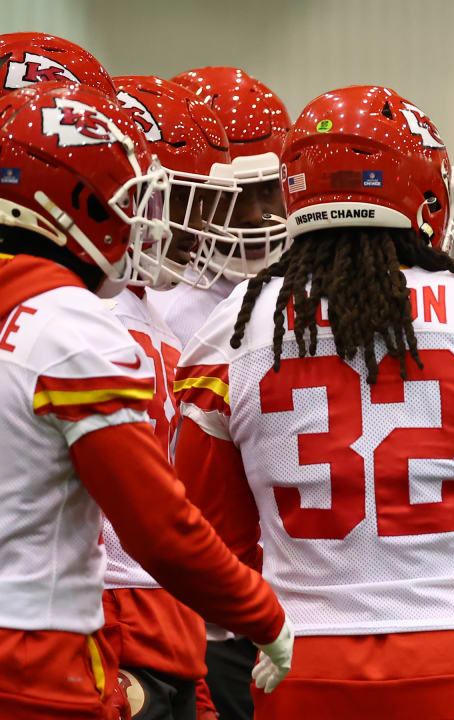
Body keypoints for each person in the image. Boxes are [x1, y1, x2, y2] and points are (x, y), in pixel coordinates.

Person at [171, 85, 454, 720]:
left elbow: (208, 532)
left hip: (301, 661)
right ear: (427, 193)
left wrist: (271, 618)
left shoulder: (232, 328)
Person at [0, 81, 292, 720]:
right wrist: (261, 612)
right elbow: (156, 525)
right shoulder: (72, 327)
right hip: (45, 650)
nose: (151, 222)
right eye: (136, 199)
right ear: (74, 202)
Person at [103, 74, 244, 720]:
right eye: (179, 203)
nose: (197, 233)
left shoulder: (143, 310)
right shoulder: (64, 318)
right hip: (98, 623)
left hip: (164, 619)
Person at [157, 64, 293, 720]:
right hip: (207, 606)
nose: (267, 215)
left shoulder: (303, 292)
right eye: (245, 193)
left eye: (276, 189)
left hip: (294, 591)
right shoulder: (160, 306)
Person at [154, 66, 292, 348]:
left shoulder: (316, 289)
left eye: (269, 188)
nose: (255, 216)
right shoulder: (160, 310)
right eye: (231, 195)